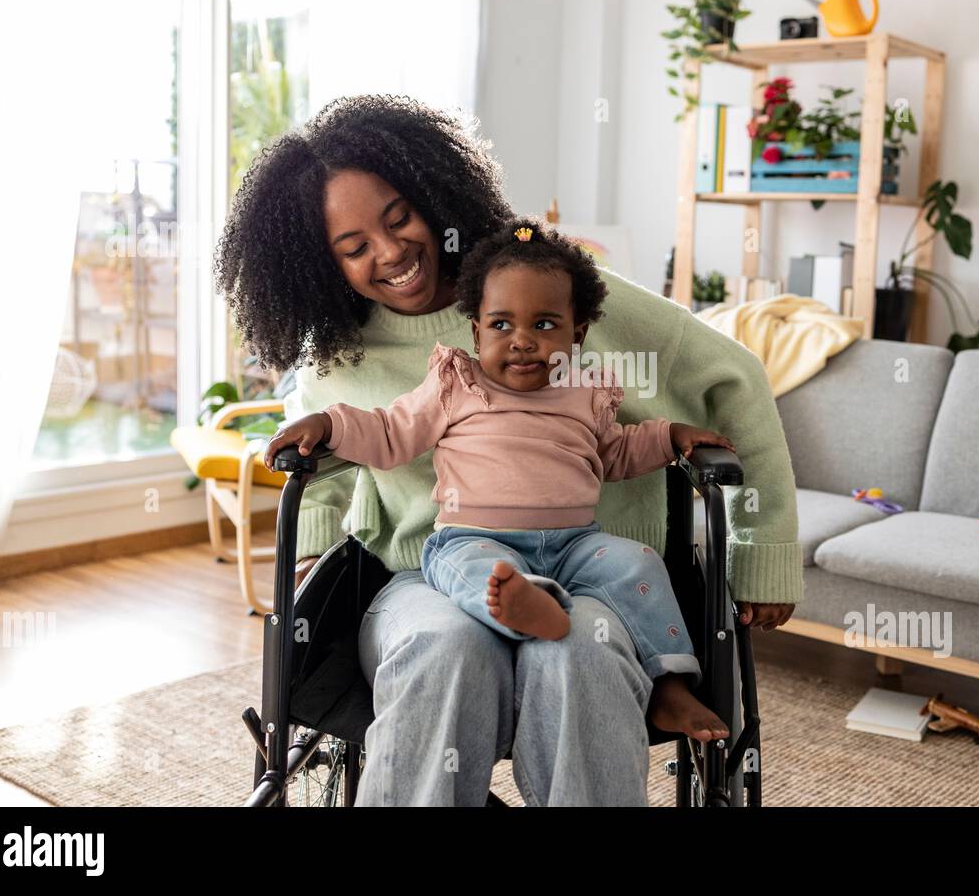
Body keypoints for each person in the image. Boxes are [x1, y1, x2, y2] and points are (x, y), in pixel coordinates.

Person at [215, 95, 802, 806]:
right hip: (430, 575)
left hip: (590, 567)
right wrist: (310, 555)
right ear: (322, 262)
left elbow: (735, 378)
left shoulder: (549, 292)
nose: (390, 252)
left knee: (581, 648)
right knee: (444, 645)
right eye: (355, 246)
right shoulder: (339, 352)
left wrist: (764, 550)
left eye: (399, 218)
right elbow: (334, 456)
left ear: (435, 195)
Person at [265, 217, 737, 742]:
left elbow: (616, 453)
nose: (522, 342)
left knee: (638, 563)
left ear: (577, 333)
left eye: (544, 325)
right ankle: (525, 608)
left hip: (576, 545)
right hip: (471, 538)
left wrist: (671, 436)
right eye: (501, 325)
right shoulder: (455, 385)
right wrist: (328, 424)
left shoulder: (585, 395)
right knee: (481, 572)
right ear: (476, 331)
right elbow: (388, 432)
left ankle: (669, 683)